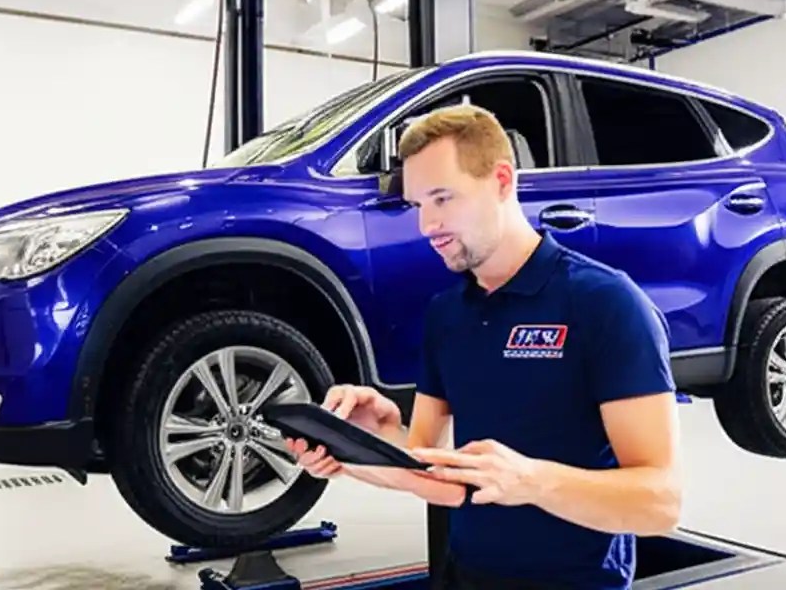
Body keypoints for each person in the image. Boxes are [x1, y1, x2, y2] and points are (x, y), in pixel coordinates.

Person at [286, 105, 682, 589]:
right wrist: (362, 445)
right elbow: (435, 479)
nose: (427, 225)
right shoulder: (447, 315)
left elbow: (661, 503)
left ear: (500, 180)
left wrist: (532, 480)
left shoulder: (605, 303)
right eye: (418, 206)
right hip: (466, 574)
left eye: (443, 198)